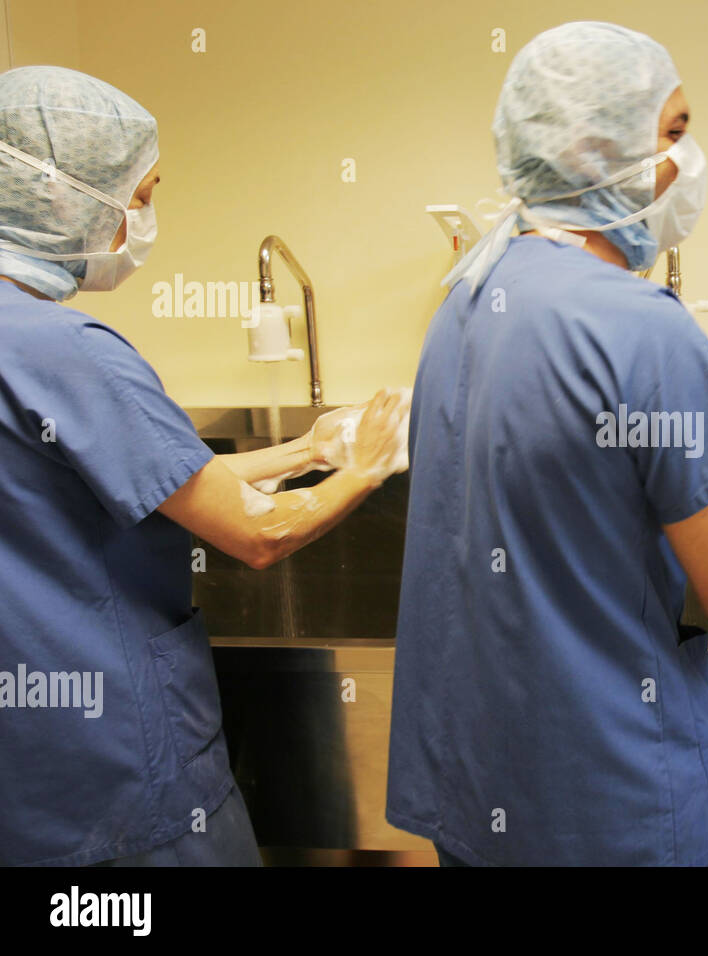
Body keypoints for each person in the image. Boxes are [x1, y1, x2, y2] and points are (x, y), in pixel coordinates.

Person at [386, 21, 708, 867]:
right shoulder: (643, 330)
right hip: (608, 809)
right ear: (592, 147)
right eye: (675, 133)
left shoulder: (469, 298)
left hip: (481, 799)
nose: (688, 163)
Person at [0, 66, 409, 866]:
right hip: (118, 772)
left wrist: (307, 450)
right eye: (142, 194)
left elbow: (142, 481)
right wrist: (363, 468)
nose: (145, 218)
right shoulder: (71, 352)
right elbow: (255, 535)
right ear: (68, 197)